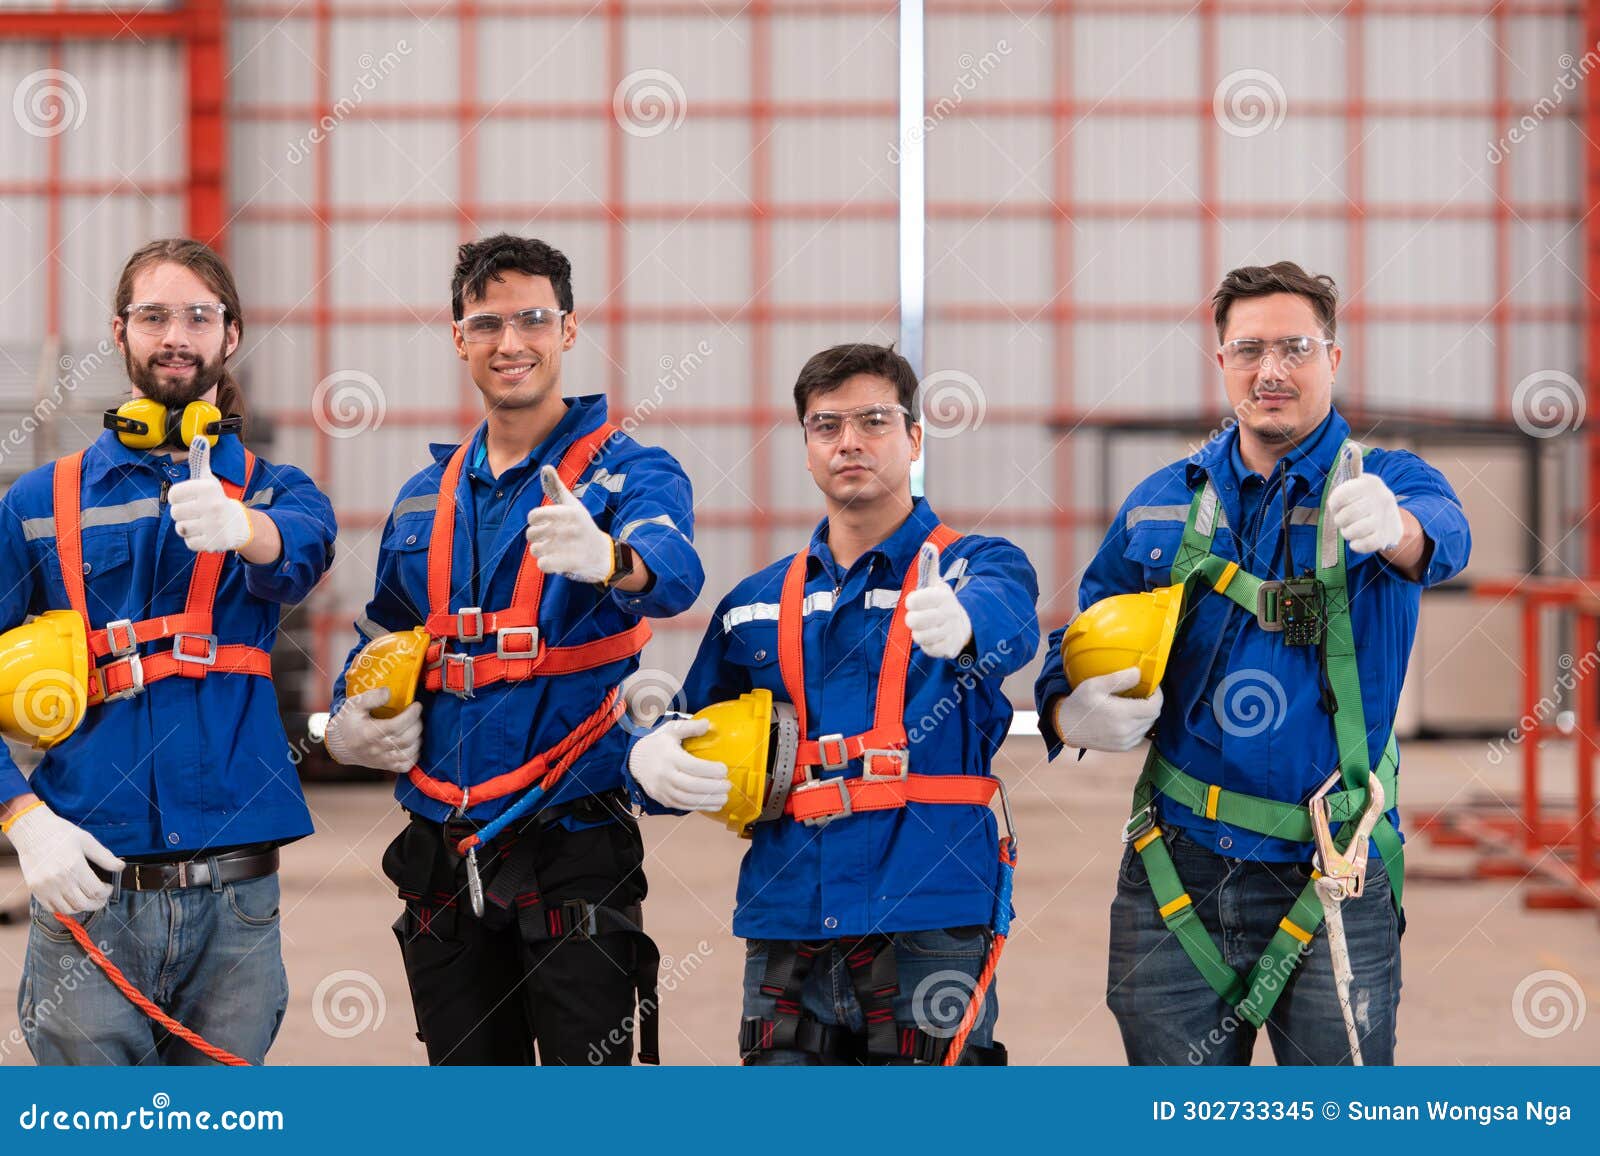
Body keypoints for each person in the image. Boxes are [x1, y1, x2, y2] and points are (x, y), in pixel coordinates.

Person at [1034, 261, 1472, 1065]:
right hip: (1177, 867)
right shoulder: (1161, 502)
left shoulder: (1387, 484)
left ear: (1333, 360)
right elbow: (1079, 643)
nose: (1271, 371)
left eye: (1295, 348)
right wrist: (1072, 712)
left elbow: (1445, 535)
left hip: (1332, 867)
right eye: (1249, 350)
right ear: (1222, 363)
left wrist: (1399, 527)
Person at [325, 233, 704, 1065]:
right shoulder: (424, 499)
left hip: (572, 840)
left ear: (568, 331)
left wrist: (611, 558)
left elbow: (674, 571)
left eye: (533, 318)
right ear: (459, 337)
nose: (511, 342)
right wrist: (339, 721)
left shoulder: (628, 472)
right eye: (487, 322)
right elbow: (385, 634)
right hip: (442, 848)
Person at [629, 342, 1039, 1065]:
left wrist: (967, 620)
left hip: (929, 918)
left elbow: (1011, 616)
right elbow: (686, 728)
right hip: (789, 925)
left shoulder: (976, 567)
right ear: (807, 450)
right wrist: (647, 757)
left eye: (874, 421)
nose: (849, 441)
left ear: (913, 439)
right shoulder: (753, 605)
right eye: (826, 426)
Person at [0, 238, 337, 1064]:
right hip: (90, 886)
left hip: (237, 898)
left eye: (198, 315)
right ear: (120, 332)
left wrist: (246, 529)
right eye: (154, 315)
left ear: (230, 335)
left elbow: (308, 544)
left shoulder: (274, 488)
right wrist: (22, 818)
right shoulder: (39, 502)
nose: (175, 334)